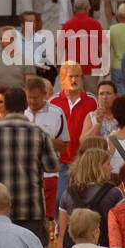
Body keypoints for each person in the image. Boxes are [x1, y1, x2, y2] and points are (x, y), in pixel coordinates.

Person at [0, 87, 60, 247]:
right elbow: (52, 166)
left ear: (6, 106)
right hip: (30, 208)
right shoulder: (39, 133)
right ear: (25, 106)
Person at [50, 61, 98, 209]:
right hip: (62, 162)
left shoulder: (91, 100)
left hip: (84, 161)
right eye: (70, 77)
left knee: (85, 202)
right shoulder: (53, 102)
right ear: (62, 78)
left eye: (77, 76)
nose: (74, 80)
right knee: (59, 200)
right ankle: (60, 228)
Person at [24, 78, 69, 233]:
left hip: (50, 175)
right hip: (26, 176)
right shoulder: (21, 113)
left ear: (44, 94)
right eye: (29, 97)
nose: (31, 101)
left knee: (50, 219)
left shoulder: (56, 113)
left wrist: (44, 139)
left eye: (35, 97)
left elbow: (64, 146)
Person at [57, 147, 123, 248]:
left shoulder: (68, 194)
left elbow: (61, 235)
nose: (112, 168)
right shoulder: (114, 193)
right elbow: (122, 229)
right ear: (98, 167)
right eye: (108, 164)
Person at [0, 24, 35, 99]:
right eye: (0, 39)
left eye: (3, 39)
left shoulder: (26, 60)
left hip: (19, 103)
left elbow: (30, 86)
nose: (1, 42)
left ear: (12, 40)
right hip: (3, 103)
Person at [106, 2, 125, 94]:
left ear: (118, 16)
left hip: (118, 65)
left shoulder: (112, 29)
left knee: (119, 94)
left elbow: (105, 49)